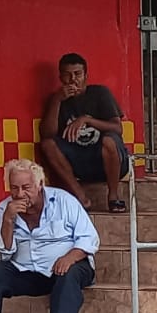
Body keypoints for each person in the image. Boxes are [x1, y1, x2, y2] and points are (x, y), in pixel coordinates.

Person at [0, 158, 100, 313]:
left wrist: (69, 258)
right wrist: (8, 221)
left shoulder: (63, 201)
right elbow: (2, 254)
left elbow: (90, 238)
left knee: (68, 275)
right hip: (28, 272)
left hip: (68, 268)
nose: (20, 194)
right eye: (14, 188)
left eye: (26, 187)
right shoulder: (5, 208)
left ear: (40, 184)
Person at [39, 52, 129, 213]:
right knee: (47, 144)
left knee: (110, 140)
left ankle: (114, 196)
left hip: (106, 160)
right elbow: (47, 134)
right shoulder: (57, 99)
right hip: (78, 161)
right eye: (67, 75)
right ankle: (80, 196)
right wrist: (57, 101)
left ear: (86, 76)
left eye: (78, 74)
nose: (73, 79)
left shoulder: (100, 93)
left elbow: (118, 128)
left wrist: (87, 120)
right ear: (61, 78)